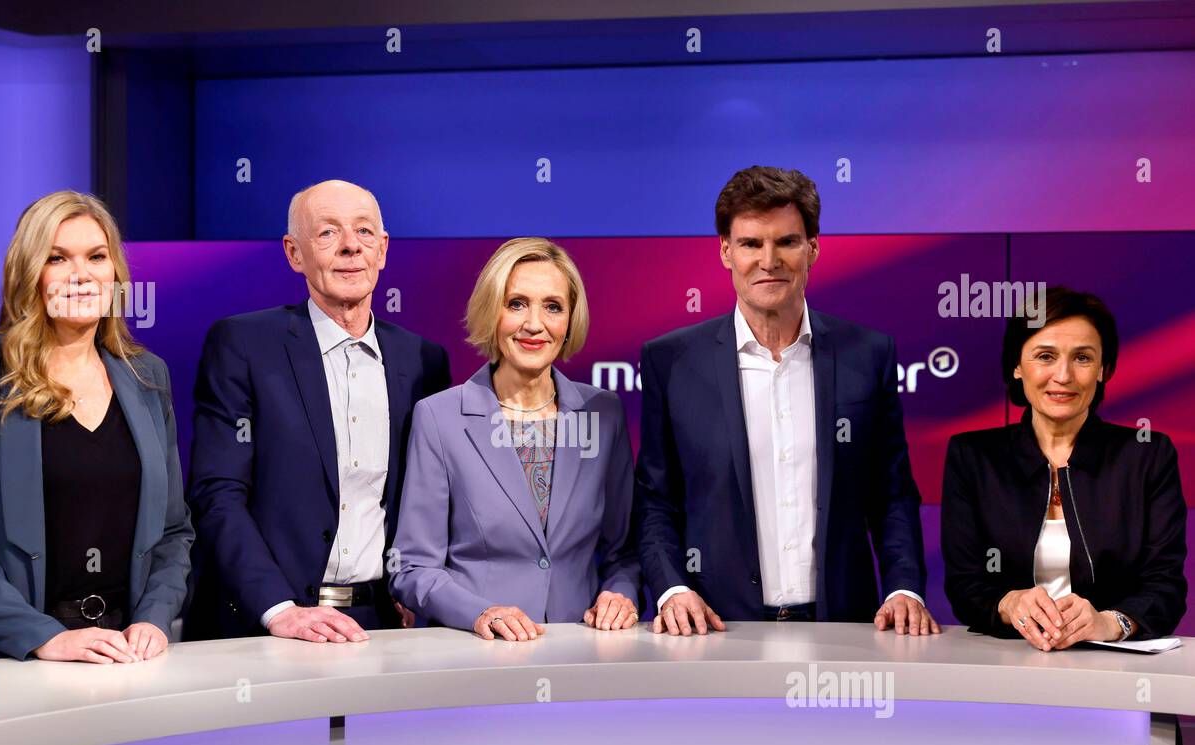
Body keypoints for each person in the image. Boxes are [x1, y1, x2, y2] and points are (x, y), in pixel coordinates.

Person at [636, 166, 937, 636]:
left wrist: (904, 588)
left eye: (787, 242)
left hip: (844, 631)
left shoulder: (869, 355)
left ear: (813, 248)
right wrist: (672, 589)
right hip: (714, 632)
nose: (768, 260)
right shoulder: (671, 362)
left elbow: (892, 493)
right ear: (725, 251)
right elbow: (656, 500)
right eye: (752, 244)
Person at [0, 191, 193, 664]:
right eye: (57, 258)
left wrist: (154, 616)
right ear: (30, 273)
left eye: (96, 257)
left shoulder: (147, 375)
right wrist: (43, 636)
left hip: (123, 654)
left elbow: (173, 531)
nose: (81, 275)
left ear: (115, 274)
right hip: (5, 657)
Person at [186, 180, 451, 643]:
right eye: (328, 233)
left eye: (365, 232)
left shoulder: (423, 360)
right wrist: (279, 610)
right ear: (293, 253)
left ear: (383, 249)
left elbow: (429, 501)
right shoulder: (244, 345)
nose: (351, 246)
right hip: (264, 625)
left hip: (382, 627)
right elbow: (217, 495)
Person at [389, 238, 639, 640]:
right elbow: (412, 567)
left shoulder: (603, 413)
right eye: (516, 303)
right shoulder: (439, 417)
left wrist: (620, 593)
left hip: (580, 651)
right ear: (492, 312)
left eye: (553, 307)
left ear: (570, 319)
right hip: (476, 656)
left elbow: (622, 553)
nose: (534, 324)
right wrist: (479, 612)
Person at [942, 286, 1187, 649]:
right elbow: (966, 585)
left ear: (1104, 369)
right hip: (1006, 663)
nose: (1063, 375)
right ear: (1016, 365)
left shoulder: (1147, 455)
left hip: (1117, 668)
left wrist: (1108, 622)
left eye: (1083, 358)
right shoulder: (974, 457)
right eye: (1045, 356)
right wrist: (1010, 604)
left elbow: (1165, 586)